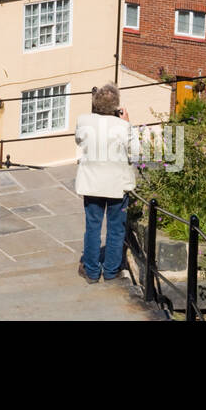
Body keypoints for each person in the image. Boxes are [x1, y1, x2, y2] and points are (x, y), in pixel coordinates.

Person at [74, 83, 135, 284]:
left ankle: (91, 271)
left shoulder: (84, 121)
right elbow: (135, 150)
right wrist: (127, 122)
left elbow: (79, 141)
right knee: (116, 228)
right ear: (116, 106)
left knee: (93, 226)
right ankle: (111, 271)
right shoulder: (123, 126)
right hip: (117, 184)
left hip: (92, 182)